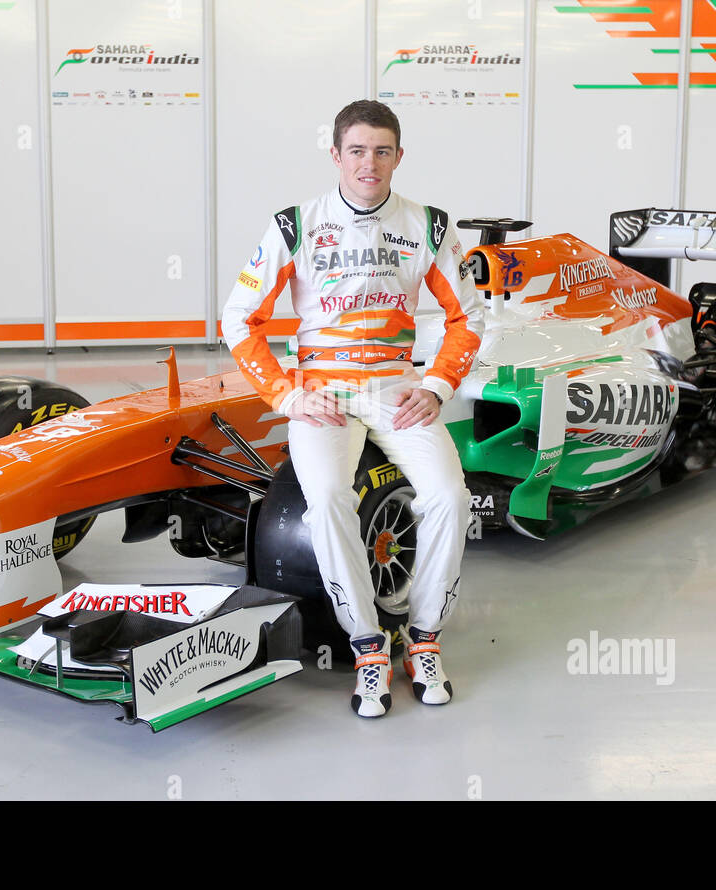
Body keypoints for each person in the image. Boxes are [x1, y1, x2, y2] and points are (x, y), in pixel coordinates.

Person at [222, 100, 484, 718]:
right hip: (323, 394)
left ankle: (423, 639)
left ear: (399, 156)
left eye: (383, 150)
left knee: (450, 497)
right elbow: (240, 317)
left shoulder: (429, 225)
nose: (370, 163)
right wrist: (288, 395)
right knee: (330, 502)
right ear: (336, 154)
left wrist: (440, 385)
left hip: (398, 387)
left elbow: (468, 316)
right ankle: (367, 645)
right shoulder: (295, 224)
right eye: (358, 150)